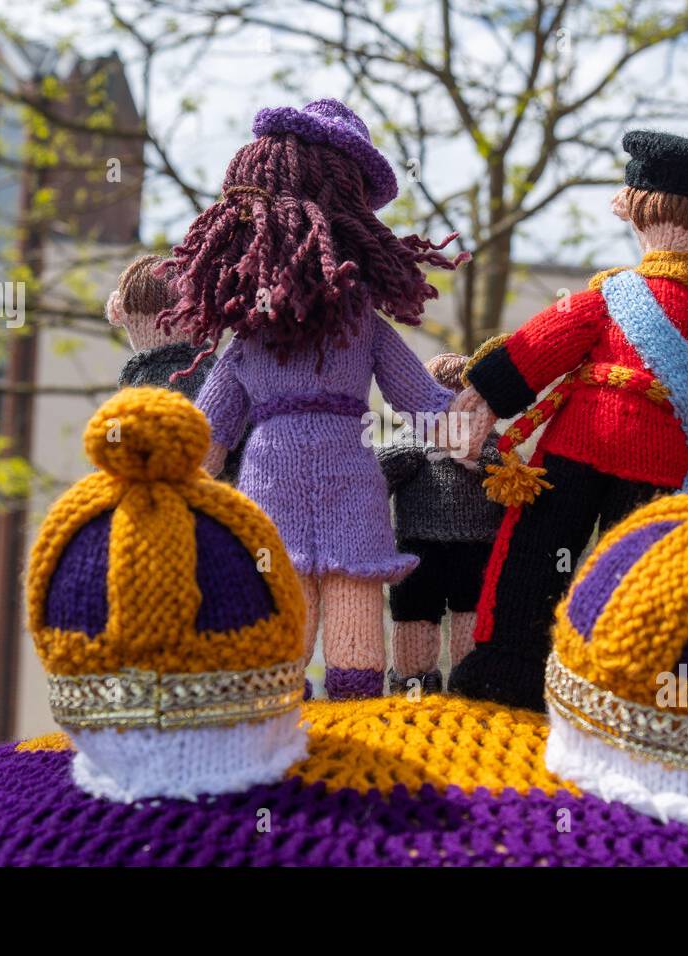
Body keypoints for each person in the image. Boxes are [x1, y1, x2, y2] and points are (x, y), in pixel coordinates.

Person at [448, 130, 688, 711]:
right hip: (655, 471)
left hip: (576, 450)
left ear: (637, 207)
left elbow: (542, 343)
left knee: (538, 551)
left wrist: (483, 396)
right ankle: (615, 680)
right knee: (632, 574)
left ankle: (511, 663)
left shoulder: (612, 299)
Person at [163, 98, 466, 700]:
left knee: (291, 605)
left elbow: (211, 433)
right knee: (336, 605)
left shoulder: (253, 331)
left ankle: (293, 716)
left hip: (278, 484)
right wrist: (474, 431)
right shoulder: (354, 326)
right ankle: (337, 720)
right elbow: (425, 406)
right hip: (346, 475)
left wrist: (180, 476)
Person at [377, 353, 503, 695]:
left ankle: (469, 681)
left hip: (479, 546)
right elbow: (378, 475)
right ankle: (413, 679)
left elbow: (511, 476)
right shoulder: (413, 440)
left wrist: (482, 456)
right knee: (415, 609)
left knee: (472, 611)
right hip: (419, 546)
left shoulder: (489, 444)